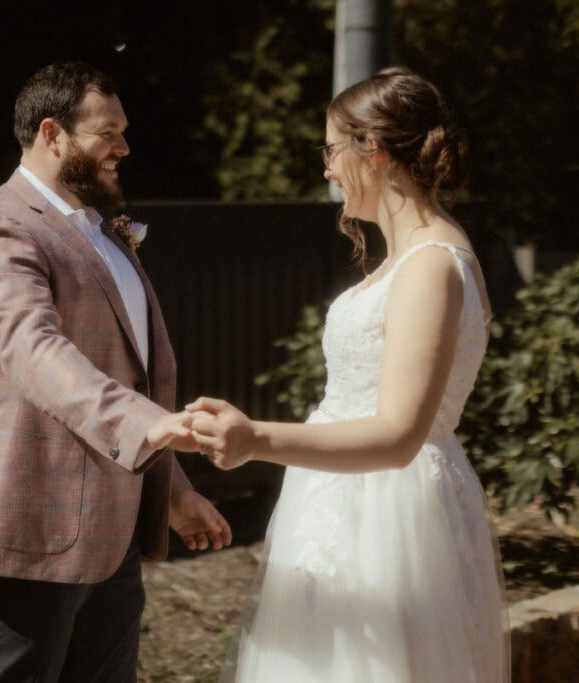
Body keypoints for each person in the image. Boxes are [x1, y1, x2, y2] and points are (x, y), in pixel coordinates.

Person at [184, 67, 509, 681]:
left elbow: (397, 436)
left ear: (374, 151)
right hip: (349, 502)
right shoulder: (415, 256)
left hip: (391, 520)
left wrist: (256, 439)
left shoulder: (431, 266)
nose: (326, 166)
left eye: (331, 148)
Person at [0, 61, 232, 683]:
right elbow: (35, 351)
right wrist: (149, 427)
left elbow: (130, 369)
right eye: (108, 131)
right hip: (24, 532)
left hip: (110, 538)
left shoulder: (101, 232)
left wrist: (172, 491)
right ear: (52, 133)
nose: (123, 146)